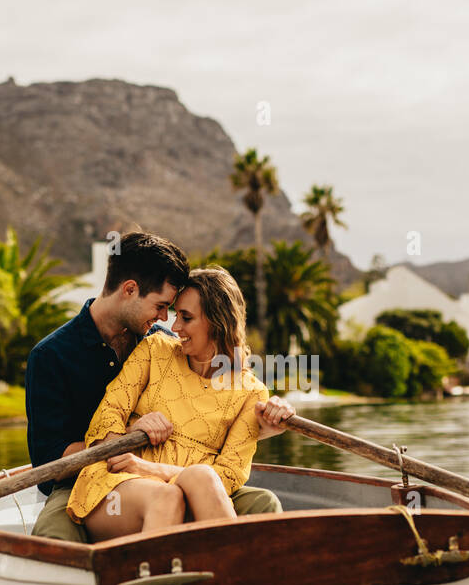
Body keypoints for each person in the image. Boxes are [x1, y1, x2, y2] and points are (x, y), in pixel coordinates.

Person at [25, 232, 293, 542]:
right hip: (90, 477)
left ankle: (242, 577)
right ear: (130, 290)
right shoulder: (52, 355)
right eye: (164, 307)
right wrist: (130, 437)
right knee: (56, 539)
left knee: (262, 502)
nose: (169, 322)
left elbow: (228, 463)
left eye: (181, 315)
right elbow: (50, 462)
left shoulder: (159, 337)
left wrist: (266, 427)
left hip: (184, 480)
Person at [67, 266, 270, 539]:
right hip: (118, 488)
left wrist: (152, 469)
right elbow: (108, 415)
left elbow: (229, 476)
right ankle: (157, 580)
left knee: (202, 478)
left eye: (186, 318)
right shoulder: (156, 350)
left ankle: (229, 576)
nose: (175, 327)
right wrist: (125, 444)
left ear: (218, 322)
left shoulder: (251, 392)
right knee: (168, 496)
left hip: (192, 496)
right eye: (176, 316)